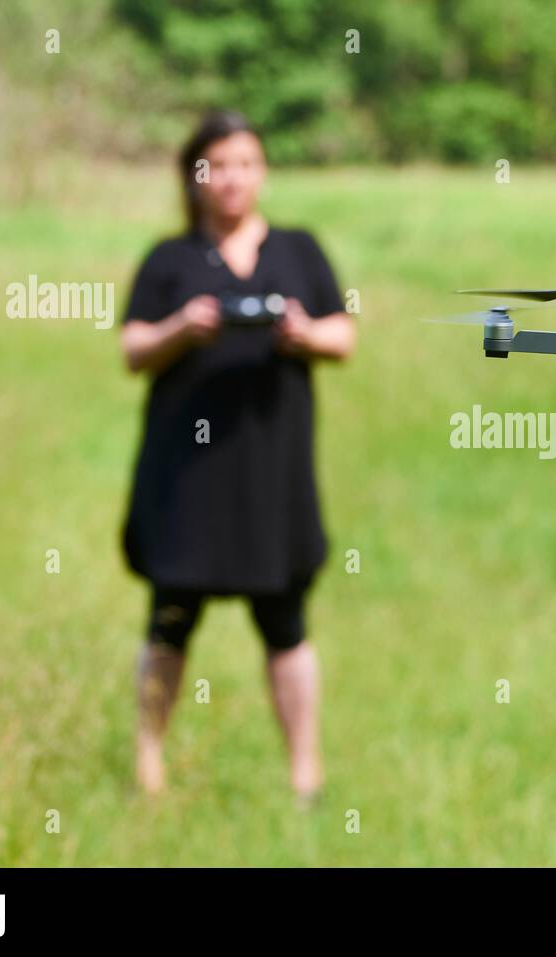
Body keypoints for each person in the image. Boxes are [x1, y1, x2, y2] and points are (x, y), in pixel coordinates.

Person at [119, 110, 355, 807]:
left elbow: (345, 336)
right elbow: (132, 350)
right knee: (170, 618)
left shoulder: (300, 249)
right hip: (186, 475)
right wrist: (180, 328)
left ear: (263, 171)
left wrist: (303, 332)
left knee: (286, 623)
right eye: (217, 164)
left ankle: (305, 777)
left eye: (247, 162)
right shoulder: (170, 259)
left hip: (270, 472)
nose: (233, 177)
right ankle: (147, 767)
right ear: (194, 176)